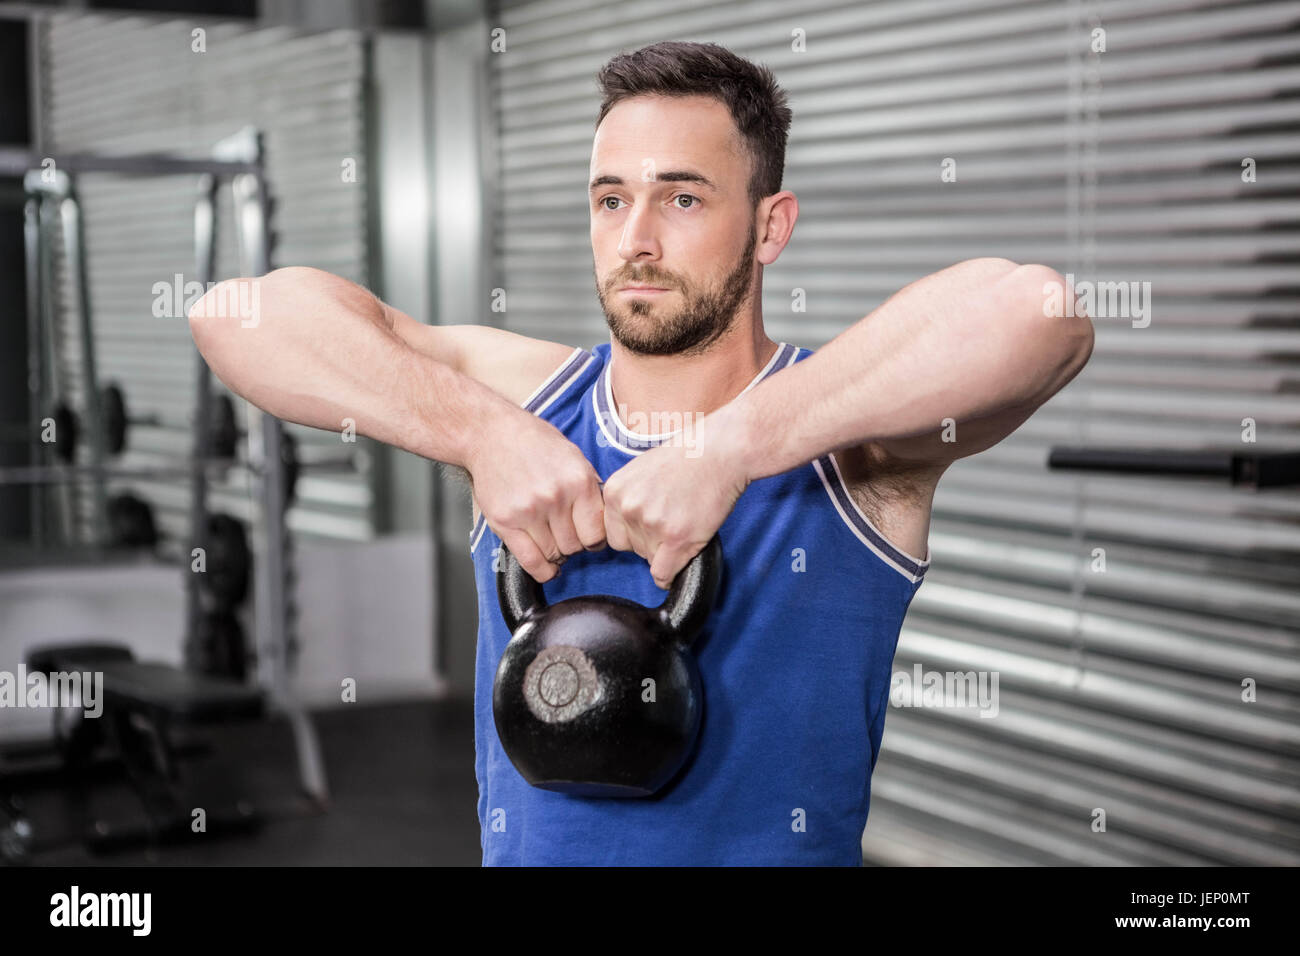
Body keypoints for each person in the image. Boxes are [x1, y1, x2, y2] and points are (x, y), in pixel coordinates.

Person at [189, 40, 1093, 865]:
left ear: (770, 227)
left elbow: (1040, 312)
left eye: (683, 198)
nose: (636, 241)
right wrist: (483, 434)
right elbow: (233, 315)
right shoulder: (523, 401)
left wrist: (732, 447)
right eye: (612, 199)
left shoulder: (850, 438)